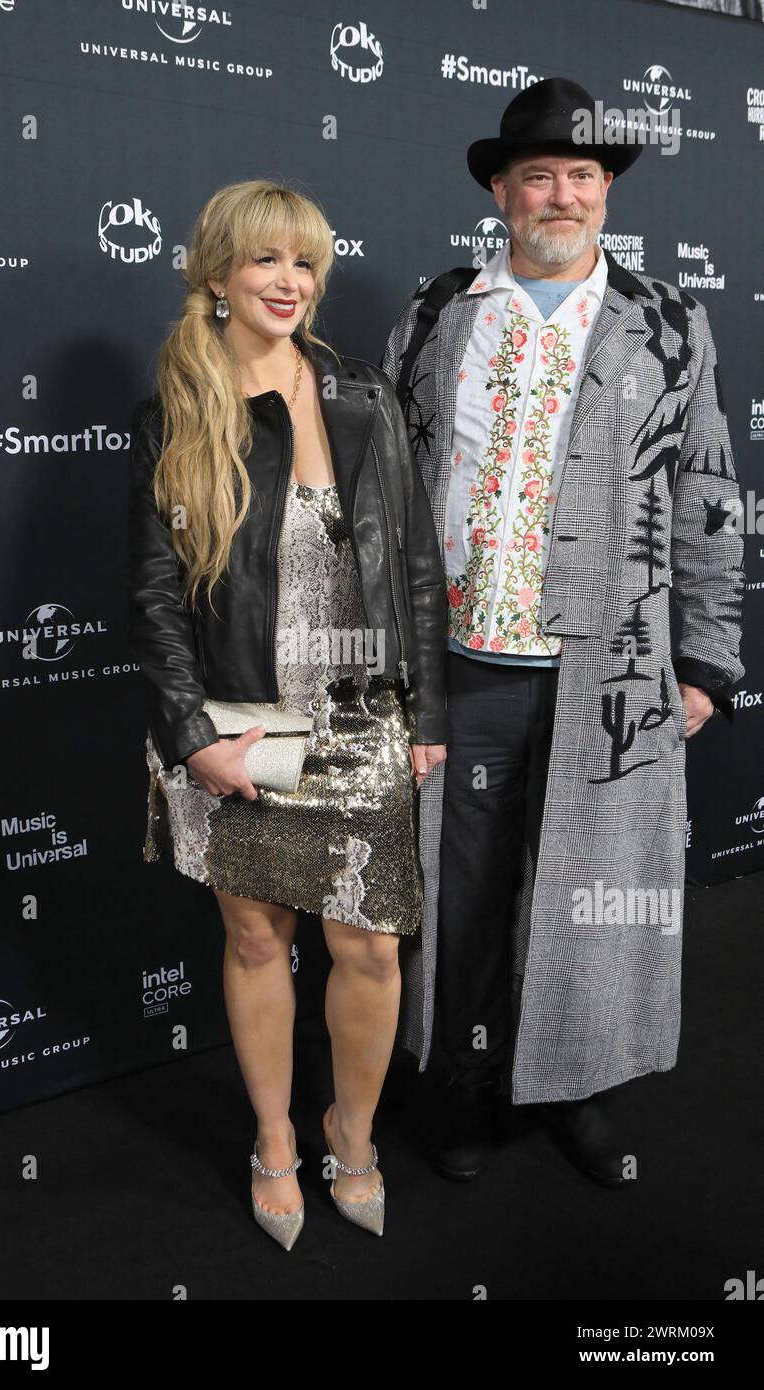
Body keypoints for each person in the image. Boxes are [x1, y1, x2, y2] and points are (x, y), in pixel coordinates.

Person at [380, 78, 745, 1185]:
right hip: (464, 667)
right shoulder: (438, 312)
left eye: (581, 175)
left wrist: (705, 655)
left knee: (588, 891)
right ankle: (464, 1083)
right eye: (536, 174)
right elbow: (383, 497)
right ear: (499, 188)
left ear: (605, 190)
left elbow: (707, 492)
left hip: (610, 668)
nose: (560, 193)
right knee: (466, 894)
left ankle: (571, 1088)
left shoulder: (668, 321)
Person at [127, 180, 448, 1249]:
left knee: (368, 951)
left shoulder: (360, 392)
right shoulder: (177, 408)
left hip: (360, 717)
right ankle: (273, 1138)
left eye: (303, 263)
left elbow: (411, 563)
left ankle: (347, 1134)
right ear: (216, 274)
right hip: (239, 725)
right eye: (265, 261)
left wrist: (428, 709)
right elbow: (153, 595)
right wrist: (191, 732)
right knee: (256, 940)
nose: (289, 283)